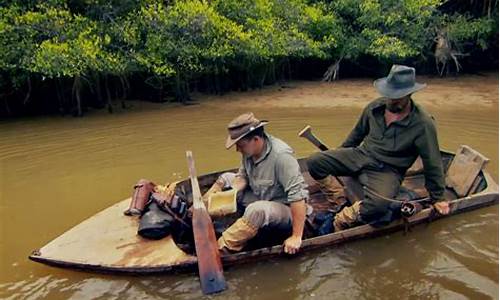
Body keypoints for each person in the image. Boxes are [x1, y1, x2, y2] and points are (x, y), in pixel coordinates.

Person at [306, 64, 450, 232]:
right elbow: (356, 135)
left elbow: (432, 162)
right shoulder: (375, 107)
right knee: (315, 162)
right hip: (362, 155)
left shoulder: (423, 124)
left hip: (388, 170)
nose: (391, 100)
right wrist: (338, 156)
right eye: (388, 95)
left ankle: (339, 219)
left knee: (377, 207)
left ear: (409, 95)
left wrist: (438, 197)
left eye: (397, 97)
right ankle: (339, 202)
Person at [213, 113, 309, 254]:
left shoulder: (282, 157)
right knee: (226, 178)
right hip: (263, 197)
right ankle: (199, 212)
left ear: (256, 139)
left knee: (256, 210)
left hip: (286, 210)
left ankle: (218, 250)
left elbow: (298, 197)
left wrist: (296, 236)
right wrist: (230, 193)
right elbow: (242, 176)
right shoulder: (249, 153)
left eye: (240, 145)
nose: (237, 149)